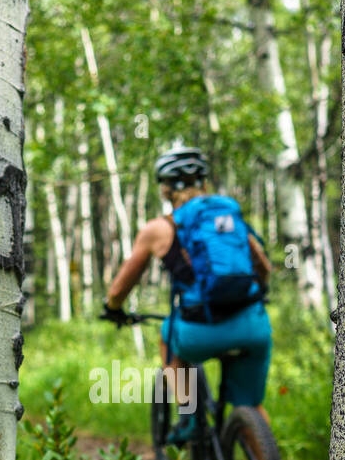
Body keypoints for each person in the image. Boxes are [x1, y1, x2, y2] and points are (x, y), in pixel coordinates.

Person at [101, 146, 273, 442]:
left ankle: (190, 416)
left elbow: (119, 289)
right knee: (251, 405)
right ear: (203, 183)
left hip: (199, 332)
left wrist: (113, 307)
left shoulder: (159, 229)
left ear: (166, 190)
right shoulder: (228, 216)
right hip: (251, 327)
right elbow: (264, 268)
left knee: (168, 336)